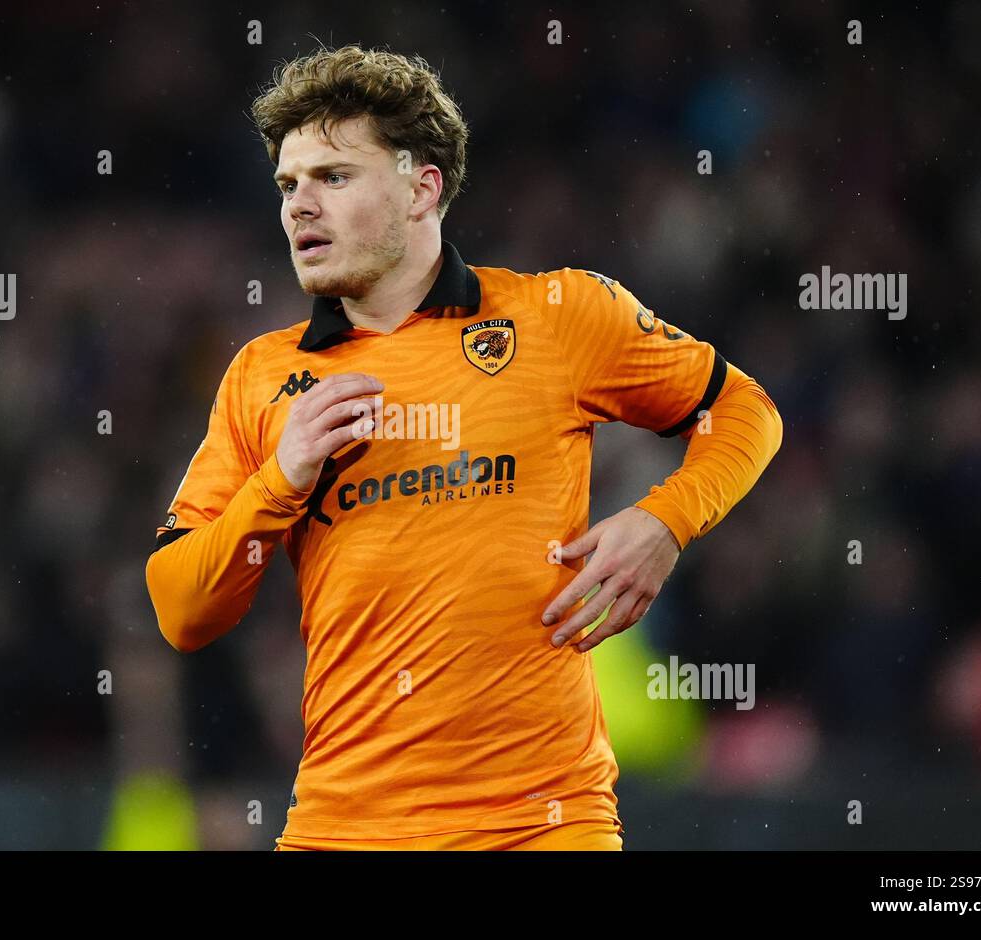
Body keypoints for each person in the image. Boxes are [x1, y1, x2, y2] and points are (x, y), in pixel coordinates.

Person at [145, 43, 783, 851]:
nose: (299, 205)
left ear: (423, 187)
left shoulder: (559, 316)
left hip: (541, 827)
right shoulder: (262, 376)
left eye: (333, 177)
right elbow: (179, 609)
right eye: (288, 184)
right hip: (345, 829)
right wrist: (282, 480)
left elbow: (744, 409)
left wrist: (665, 522)